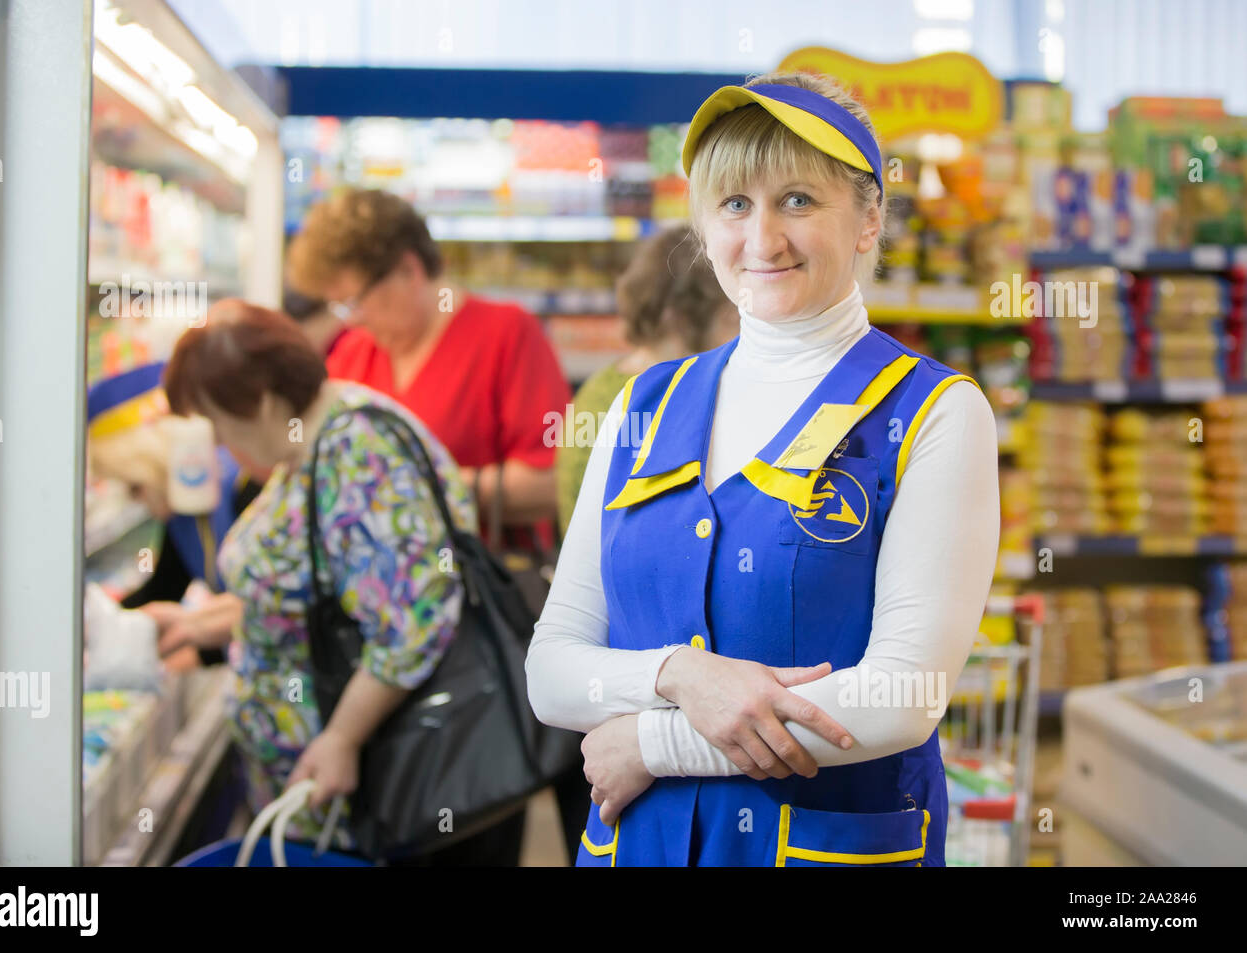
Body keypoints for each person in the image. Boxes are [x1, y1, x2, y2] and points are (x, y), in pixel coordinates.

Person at [525, 72, 1000, 867]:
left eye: (799, 201)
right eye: (735, 205)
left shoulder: (937, 413)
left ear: (869, 217)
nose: (764, 239)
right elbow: (552, 669)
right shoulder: (642, 406)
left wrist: (651, 741)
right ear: (705, 227)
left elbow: (900, 699)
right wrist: (682, 674)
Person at [162, 298, 508, 863]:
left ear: (264, 403)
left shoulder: (359, 452)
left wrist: (342, 737)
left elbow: (413, 621)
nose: (221, 444)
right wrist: (196, 624)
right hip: (315, 791)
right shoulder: (315, 443)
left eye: (219, 423)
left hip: (364, 792)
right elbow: (310, 595)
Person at [284, 188, 572, 547]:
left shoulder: (508, 334)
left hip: (481, 582)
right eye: (340, 307)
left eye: (355, 302)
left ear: (409, 270)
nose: (352, 321)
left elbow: (551, 484)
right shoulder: (354, 353)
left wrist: (415, 483)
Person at [556, 225, 737, 536]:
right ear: (679, 319)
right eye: (730, 320)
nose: (738, 335)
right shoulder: (659, 399)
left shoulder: (604, 383)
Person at [86, 362, 261, 667]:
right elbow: (164, 589)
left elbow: (272, 612)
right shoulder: (183, 516)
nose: (138, 501)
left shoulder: (243, 488)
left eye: (135, 487)